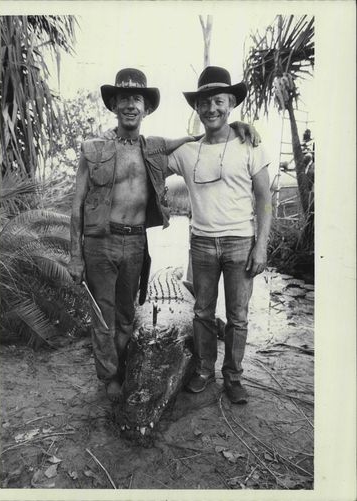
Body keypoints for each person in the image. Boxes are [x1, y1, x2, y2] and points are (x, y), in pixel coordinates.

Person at [67, 68, 259, 402]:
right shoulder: (92, 150)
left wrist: (240, 127)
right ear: (113, 104)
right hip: (100, 242)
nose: (130, 105)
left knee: (127, 314)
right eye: (124, 98)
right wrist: (74, 255)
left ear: (146, 108)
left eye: (136, 99)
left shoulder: (154, 149)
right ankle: (110, 377)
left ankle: (127, 367)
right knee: (104, 315)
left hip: (136, 241)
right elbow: (76, 205)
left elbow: (203, 140)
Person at [167, 66, 272, 404]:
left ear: (230, 104)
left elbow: (264, 198)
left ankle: (234, 377)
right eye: (205, 103)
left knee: (238, 316)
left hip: (241, 242)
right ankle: (202, 370)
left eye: (219, 101)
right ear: (196, 108)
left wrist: (262, 247)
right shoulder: (187, 152)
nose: (212, 109)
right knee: (202, 312)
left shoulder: (249, 144)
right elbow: (151, 158)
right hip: (201, 244)